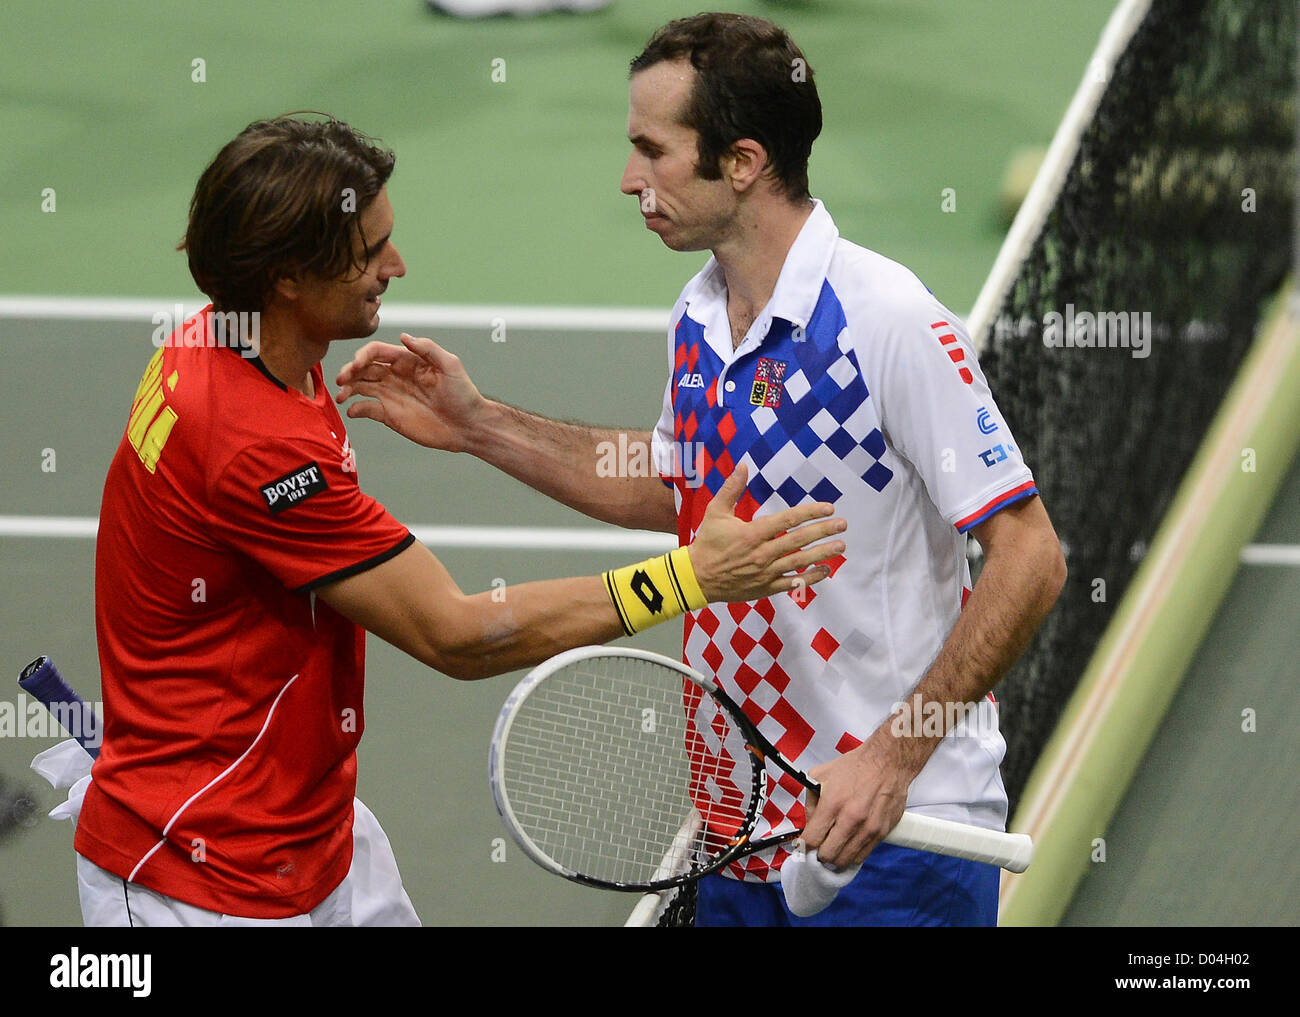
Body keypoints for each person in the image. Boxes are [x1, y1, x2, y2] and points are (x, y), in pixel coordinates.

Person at [336, 13, 1066, 927]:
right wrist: (483, 426)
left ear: (744, 161)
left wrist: (892, 757)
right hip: (740, 832)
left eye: (653, 150)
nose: (629, 180)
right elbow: (673, 483)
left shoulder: (886, 321)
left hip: (891, 838)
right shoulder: (700, 315)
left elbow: (1031, 556)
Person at [74, 112, 844, 927]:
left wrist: (478, 425)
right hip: (202, 876)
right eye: (370, 253)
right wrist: (691, 576)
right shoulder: (254, 444)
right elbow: (459, 634)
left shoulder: (226, 344)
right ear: (288, 279)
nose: (396, 267)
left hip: (308, 833)